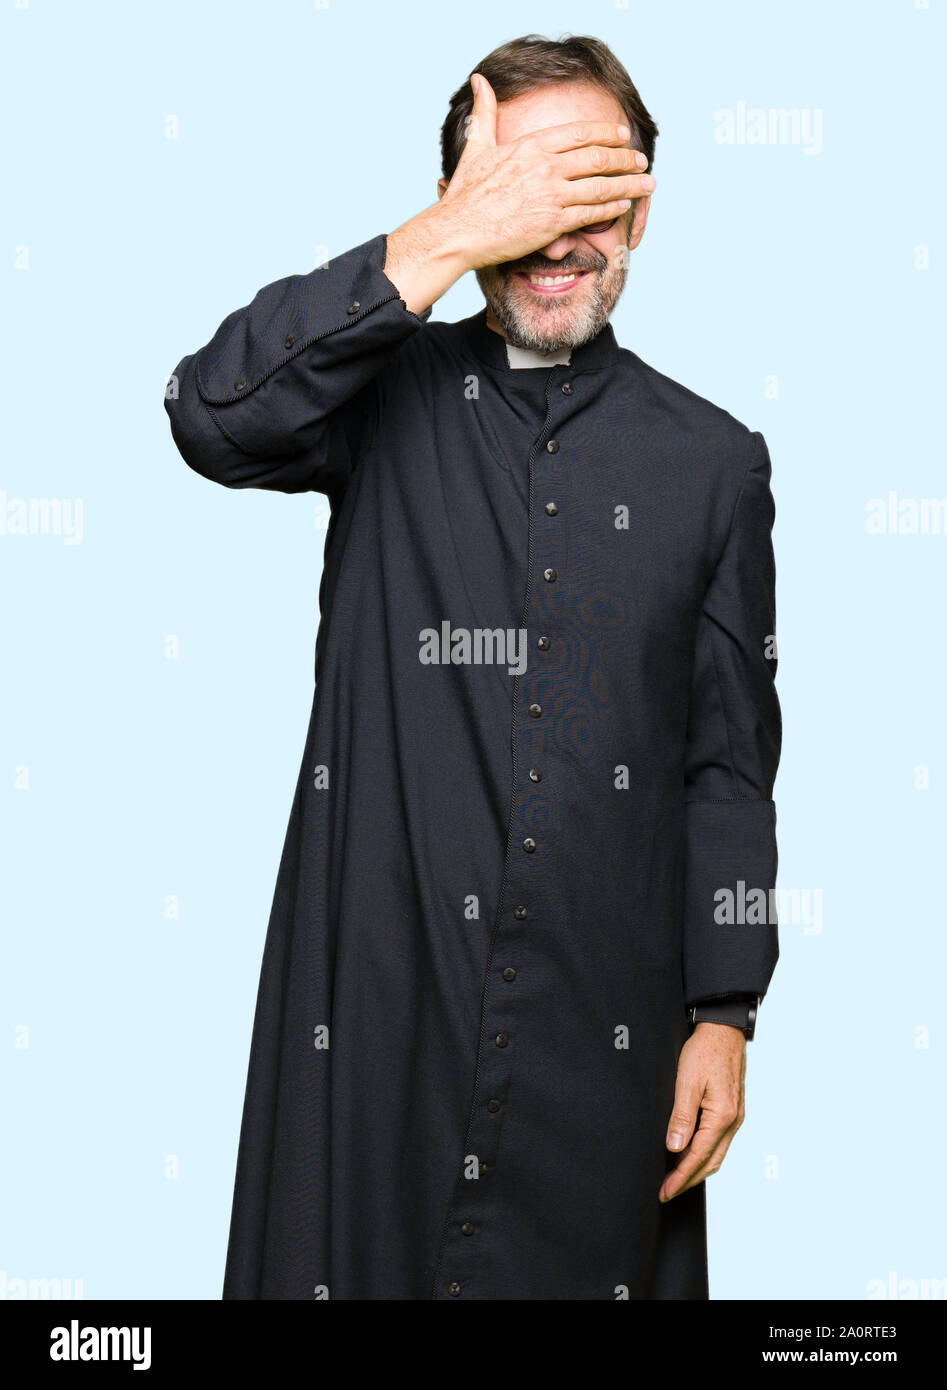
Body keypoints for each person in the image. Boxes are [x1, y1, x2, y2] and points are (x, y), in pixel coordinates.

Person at [164, 33, 781, 1301]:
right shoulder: (373, 398)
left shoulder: (716, 463)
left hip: (599, 1047)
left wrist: (725, 1009)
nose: (554, 235)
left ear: (640, 212)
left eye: (586, 192)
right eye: (520, 189)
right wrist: (439, 238)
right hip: (372, 1026)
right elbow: (208, 414)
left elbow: (728, 768)